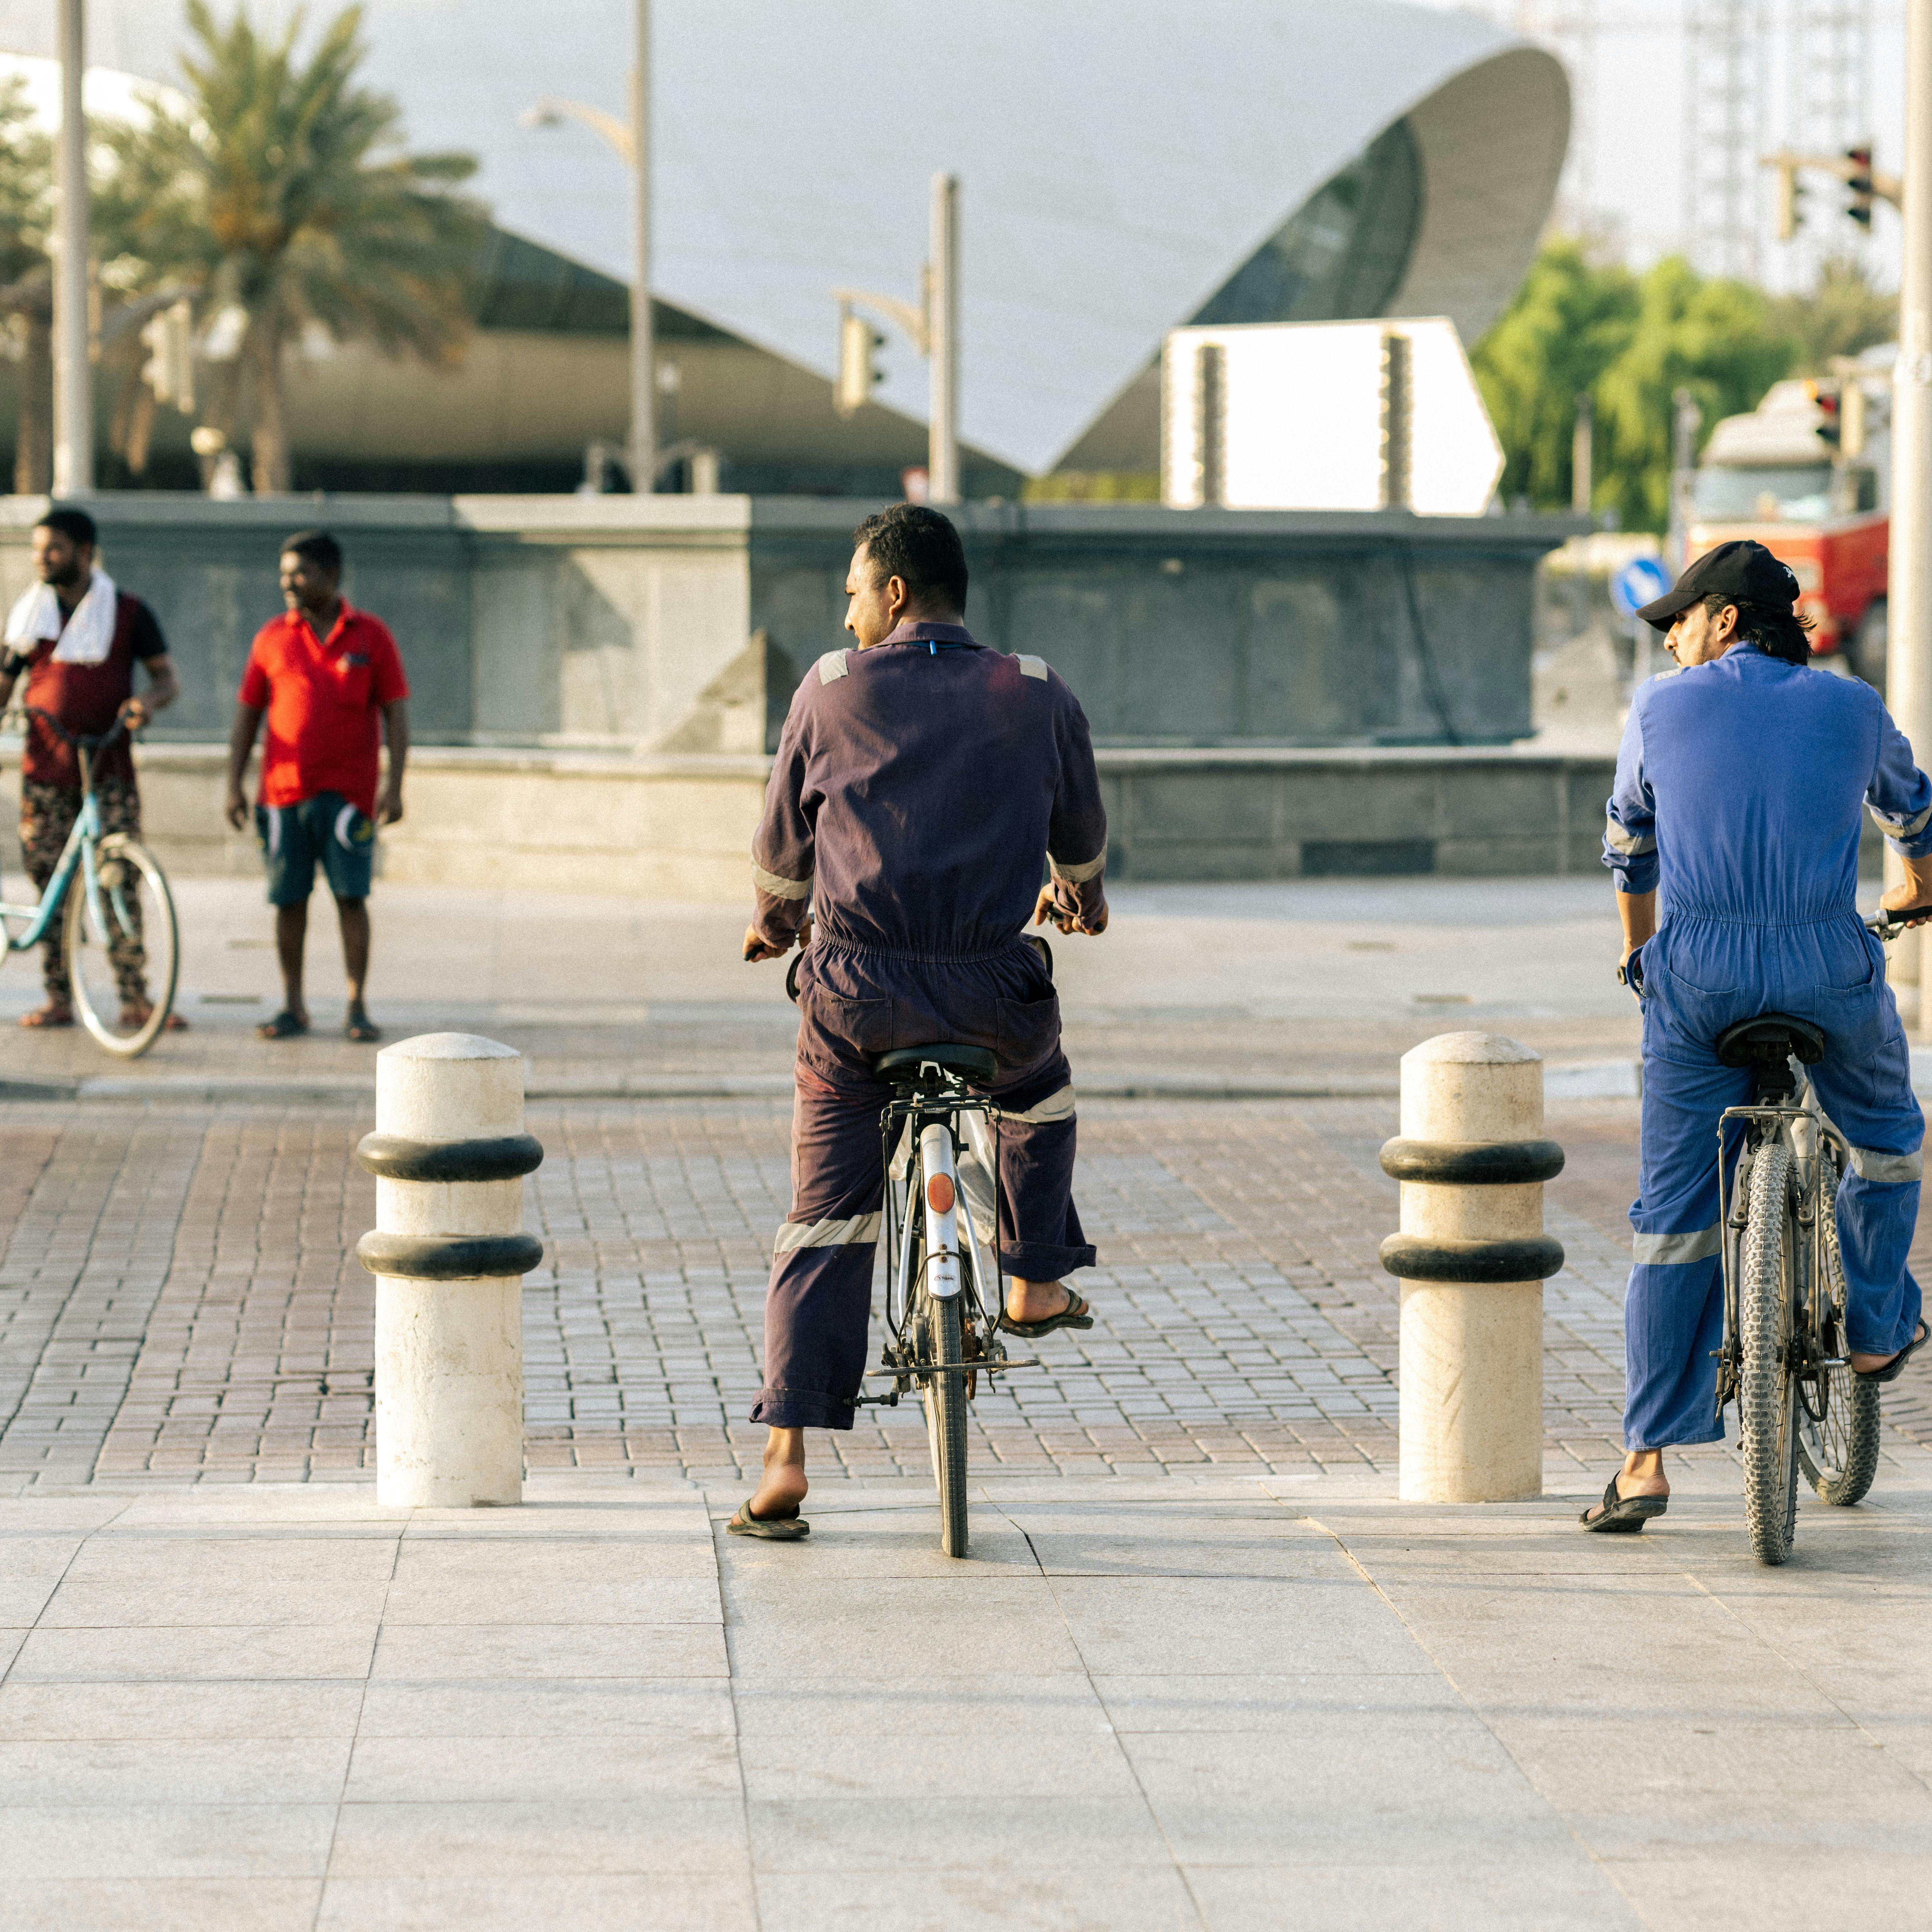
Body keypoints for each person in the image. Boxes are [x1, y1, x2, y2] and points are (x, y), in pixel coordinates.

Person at [735, 503, 1109, 1539]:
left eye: (853, 588)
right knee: (1040, 1094)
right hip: (993, 992)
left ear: (894, 591)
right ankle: (1030, 1277)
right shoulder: (1033, 692)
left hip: (853, 997)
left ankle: (783, 1461)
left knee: (823, 1209)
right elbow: (1078, 836)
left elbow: (780, 846)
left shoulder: (828, 690)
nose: (845, 608)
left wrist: (773, 922)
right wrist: (1080, 893)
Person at [1585, 538, 1932, 1532]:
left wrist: (1641, 957)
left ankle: (1645, 1460)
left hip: (1695, 976)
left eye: (1679, 625)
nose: (1672, 645)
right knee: (1887, 1144)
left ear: (1724, 620)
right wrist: (1909, 886)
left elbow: (1627, 845)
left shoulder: (1657, 709)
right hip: (1827, 971)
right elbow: (1913, 814)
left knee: (1673, 1213)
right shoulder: (1853, 706)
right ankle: (1870, 1328)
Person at [0, 504, 183, 1032]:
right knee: (50, 884)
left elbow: (167, 680)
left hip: (109, 769)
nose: (43, 559)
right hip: (45, 770)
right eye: (37, 550)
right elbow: (6, 680)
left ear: (85, 552)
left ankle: (135, 997)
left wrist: (145, 703)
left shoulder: (129, 612)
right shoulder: (30, 616)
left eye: (53, 549)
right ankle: (60, 996)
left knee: (118, 877)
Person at [224, 530, 410, 1043]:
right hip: (283, 797)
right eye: (284, 573)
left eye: (299, 573)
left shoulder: (371, 636)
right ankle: (293, 1005)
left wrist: (394, 788)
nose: (288, 583)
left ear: (332, 576)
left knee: (352, 898)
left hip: (350, 799)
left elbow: (396, 714)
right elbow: (247, 717)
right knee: (289, 901)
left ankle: (356, 1004)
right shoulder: (270, 639)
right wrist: (234, 785)